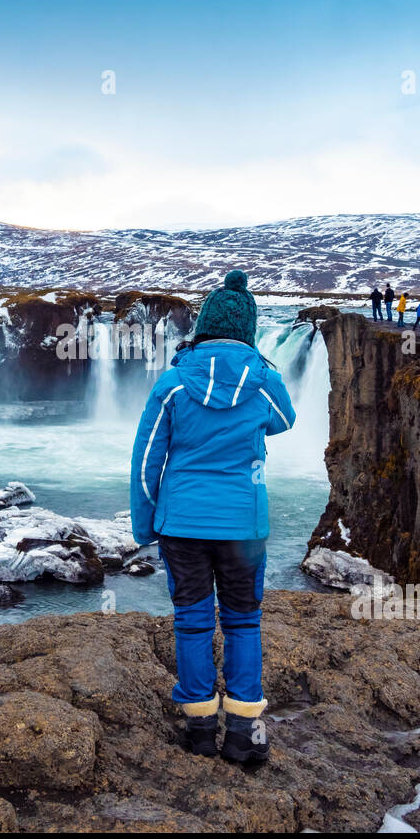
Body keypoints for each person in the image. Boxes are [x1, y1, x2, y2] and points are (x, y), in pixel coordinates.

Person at [130, 269, 295, 763]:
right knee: (244, 623)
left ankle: (200, 731)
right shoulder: (264, 383)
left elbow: (145, 463)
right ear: (248, 331)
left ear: (202, 326)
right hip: (243, 526)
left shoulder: (174, 382)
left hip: (181, 525)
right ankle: (243, 736)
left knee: (193, 622)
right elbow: (286, 421)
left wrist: (145, 525)